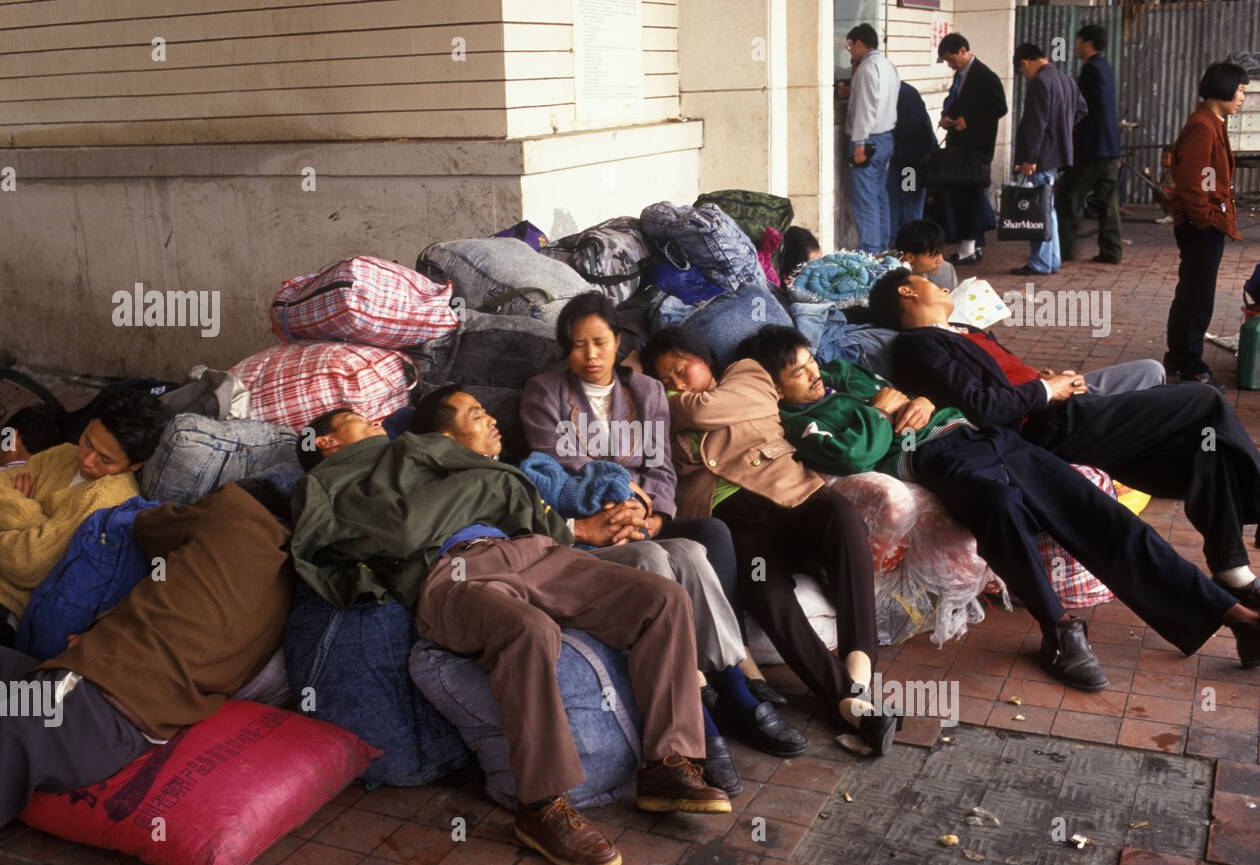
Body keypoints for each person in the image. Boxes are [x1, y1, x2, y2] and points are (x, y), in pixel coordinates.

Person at [290, 393, 731, 865]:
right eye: (356, 419)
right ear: (327, 440)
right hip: (452, 573)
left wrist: (487, 491)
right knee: (530, 630)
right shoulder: (330, 482)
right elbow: (401, 531)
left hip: (528, 549)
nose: (374, 420)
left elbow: (519, 498)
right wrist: (482, 485)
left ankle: (666, 765)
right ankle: (541, 805)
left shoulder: (420, 453)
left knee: (662, 600)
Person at [743, 323, 1260, 689]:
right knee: (1001, 507)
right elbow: (858, 451)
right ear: (775, 387)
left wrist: (917, 401)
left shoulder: (840, 375)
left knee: (1097, 514)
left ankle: (1233, 616)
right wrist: (884, 412)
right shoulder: (800, 424)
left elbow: (904, 396)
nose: (815, 375)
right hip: (934, 458)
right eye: (799, 373)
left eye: (811, 362)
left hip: (976, 433)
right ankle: (1058, 629)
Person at [520, 293, 807, 784]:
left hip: (642, 519)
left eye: (600, 342)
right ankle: (702, 717)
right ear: (564, 351)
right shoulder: (544, 394)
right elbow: (556, 476)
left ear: (617, 343)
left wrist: (650, 511)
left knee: (693, 550)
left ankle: (732, 689)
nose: (590, 355)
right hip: (590, 527)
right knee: (655, 558)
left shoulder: (648, 392)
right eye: (577, 346)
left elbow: (660, 469)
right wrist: (609, 506)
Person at [873, 268, 1260, 614]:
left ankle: (1232, 571)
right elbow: (980, 406)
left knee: (1207, 450)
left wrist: (1047, 379)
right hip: (1045, 427)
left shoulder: (967, 332)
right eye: (927, 282)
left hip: (1064, 411)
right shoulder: (919, 344)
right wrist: (1045, 389)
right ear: (907, 292)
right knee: (1204, 399)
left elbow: (1004, 381)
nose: (941, 286)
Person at [0, 482, 296, 853]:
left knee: (10, 731)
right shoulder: (284, 585)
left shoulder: (236, 509)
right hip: (104, 707)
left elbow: (146, 528)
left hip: (99, 707)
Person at [641, 327, 904, 755]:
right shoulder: (656, 411)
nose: (675, 383)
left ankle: (860, 658)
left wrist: (657, 397)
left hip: (789, 495)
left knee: (841, 515)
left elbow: (707, 410)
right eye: (663, 379)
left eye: (680, 368)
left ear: (706, 358)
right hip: (729, 518)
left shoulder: (747, 375)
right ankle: (849, 701)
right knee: (764, 585)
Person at [0, 387, 166, 647]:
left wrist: (11, 515)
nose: (87, 460)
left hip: (4, 607)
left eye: (105, 459)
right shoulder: (63, 454)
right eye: (88, 441)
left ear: (134, 465)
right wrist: (40, 522)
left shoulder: (107, 499)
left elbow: (25, 566)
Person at [1164, 61, 1249, 389]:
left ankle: (1178, 357)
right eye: (1240, 90)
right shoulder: (1203, 126)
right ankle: (1192, 366)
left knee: (1191, 291)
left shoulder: (1211, 121)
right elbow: (1192, 181)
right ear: (1224, 88)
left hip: (1204, 223)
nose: (1242, 96)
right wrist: (1205, 219)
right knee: (1198, 296)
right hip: (1201, 225)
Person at [1010, 42, 1087, 276]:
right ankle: (1050, 260)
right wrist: (1062, 130)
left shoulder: (1040, 82)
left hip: (1040, 155)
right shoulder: (1066, 80)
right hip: (1058, 154)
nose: (1025, 76)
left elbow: (1036, 123)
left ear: (1026, 63)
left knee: (1039, 208)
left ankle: (1041, 262)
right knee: (1047, 207)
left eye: (1023, 72)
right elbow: (1082, 110)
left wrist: (1029, 158)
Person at [933, 32, 1007, 266]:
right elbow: (955, 101)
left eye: (952, 59)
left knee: (972, 196)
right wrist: (948, 116)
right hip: (959, 145)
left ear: (963, 50)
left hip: (976, 147)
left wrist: (969, 120)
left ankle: (969, 247)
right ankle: (970, 245)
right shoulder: (960, 76)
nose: (950, 65)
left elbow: (999, 108)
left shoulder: (986, 76)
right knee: (963, 196)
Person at [1058, 24, 1123, 265]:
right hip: (1109, 146)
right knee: (1108, 201)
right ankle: (1112, 250)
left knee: (1068, 196)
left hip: (1092, 147)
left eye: (1078, 42)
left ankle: (1062, 250)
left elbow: (1085, 110)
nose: (1075, 47)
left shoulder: (1090, 69)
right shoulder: (1104, 67)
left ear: (1087, 44)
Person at [844, 23, 900, 254]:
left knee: (865, 200)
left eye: (849, 47)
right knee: (879, 196)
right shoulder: (887, 65)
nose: (849, 52)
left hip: (868, 141)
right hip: (885, 137)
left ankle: (871, 251)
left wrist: (859, 142)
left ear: (859, 43)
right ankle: (883, 244)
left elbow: (866, 108)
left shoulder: (867, 68)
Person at [888, 81, 940, 248]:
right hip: (904, 157)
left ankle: (910, 241)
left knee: (909, 198)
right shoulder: (904, 92)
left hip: (910, 160)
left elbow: (914, 126)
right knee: (896, 197)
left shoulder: (904, 94)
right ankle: (899, 239)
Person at [895, 218, 958, 291]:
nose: (941, 260)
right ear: (910, 257)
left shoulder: (945, 272)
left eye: (941, 253)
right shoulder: (882, 275)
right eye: (934, 255)